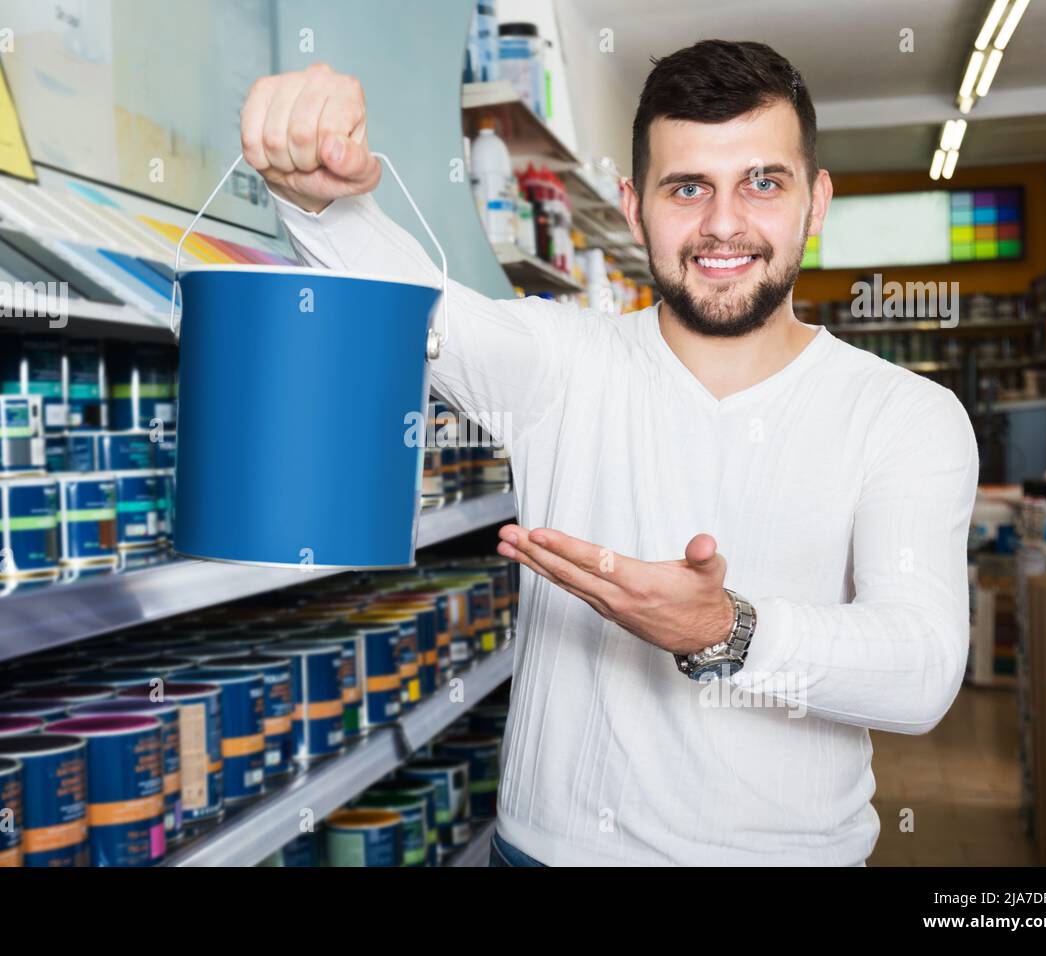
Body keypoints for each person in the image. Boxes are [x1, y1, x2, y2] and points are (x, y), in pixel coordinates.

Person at [240, 39, 979, 866]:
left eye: (763, 182)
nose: (724, 223)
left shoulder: (906, 415)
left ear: (816, 201)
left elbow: (919, 671)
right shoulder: (561, 361)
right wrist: (318, 201)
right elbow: (419, 306)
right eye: (687, 187)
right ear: (634, 208)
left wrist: (723, 629)